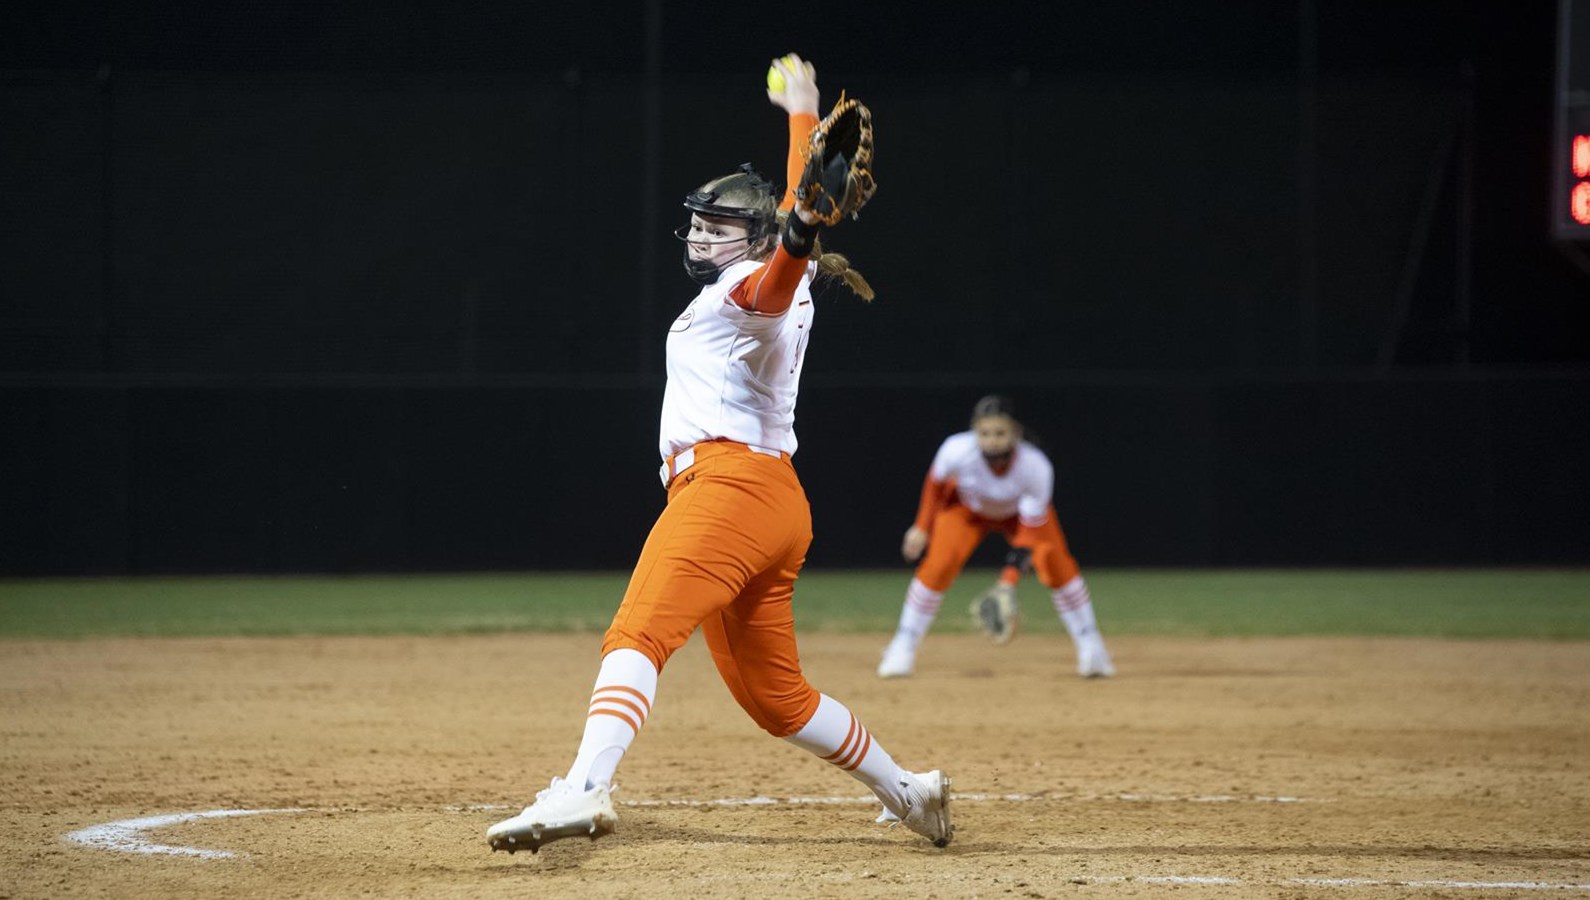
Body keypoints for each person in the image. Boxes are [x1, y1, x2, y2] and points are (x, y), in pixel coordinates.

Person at [486, 54, 952, 854]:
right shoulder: (758, 279)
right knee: (777, 699)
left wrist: (800, 230)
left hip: (729, 489)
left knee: (636, 634)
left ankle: (585, 788)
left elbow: (778, 267)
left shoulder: (753, 289)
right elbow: (794, 211)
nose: (701, 233)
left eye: (718, 225)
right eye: (697, 223)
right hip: (773, 501)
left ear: (759, 237)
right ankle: (911, 792)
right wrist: (801, 110)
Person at [877, 394, 1116, 679]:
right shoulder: (956, 449)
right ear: (974, 432)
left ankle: (1091, 647)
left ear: (1015, 433)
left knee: (1056, 564)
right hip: (968, 511)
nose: (992, 440)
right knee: (938, 566)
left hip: (1018, 516)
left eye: (1000, 433)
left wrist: (1008, 581)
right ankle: (902, 646)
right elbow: (935, 485)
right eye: (985, 433)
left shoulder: (1034, 466)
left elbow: (1030, 532)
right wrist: (921, 527)